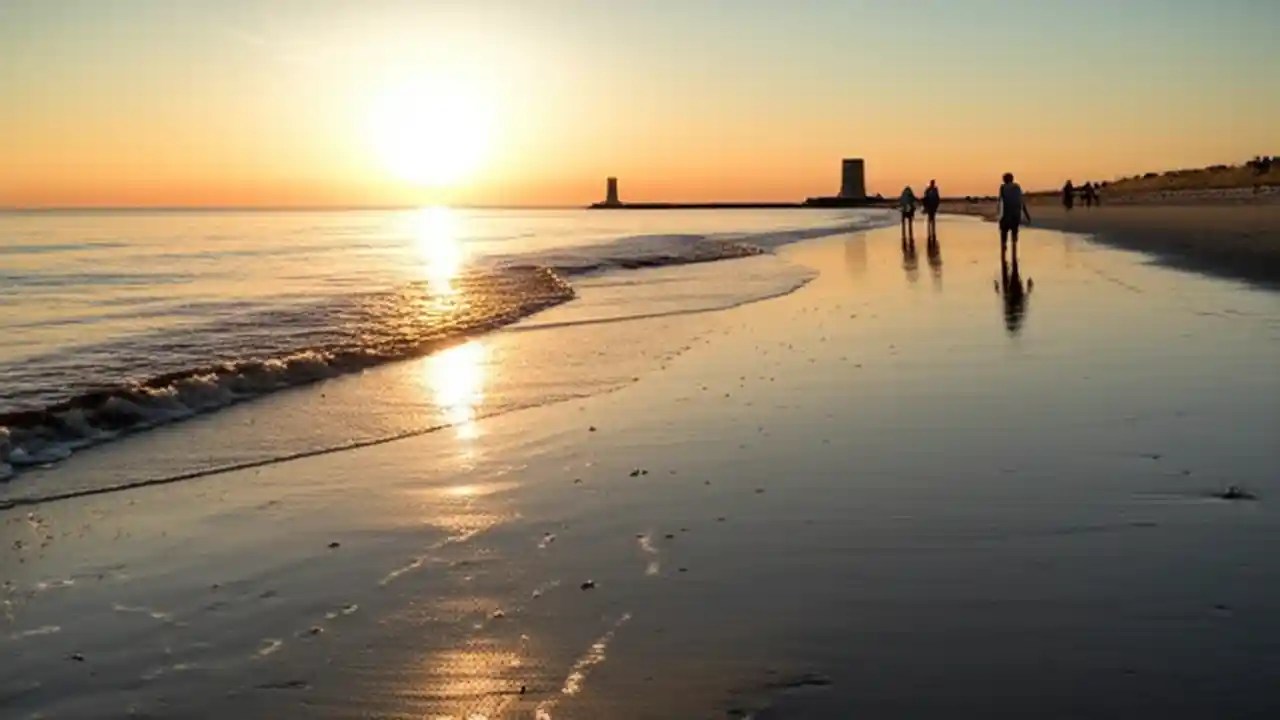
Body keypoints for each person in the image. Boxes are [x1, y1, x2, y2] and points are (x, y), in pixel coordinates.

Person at [997, 172, 1031, 252]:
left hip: (1007, 214)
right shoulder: (1017, 187)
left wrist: (999, 215)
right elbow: (1021, 201)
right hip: (1016, 215)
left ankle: (1003, 249)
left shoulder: (1003, 187)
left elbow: (1000, 201)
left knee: (1004, 232)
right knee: (1014, 234)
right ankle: (1014, 250)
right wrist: (1027, 215)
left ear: (1005, 180)